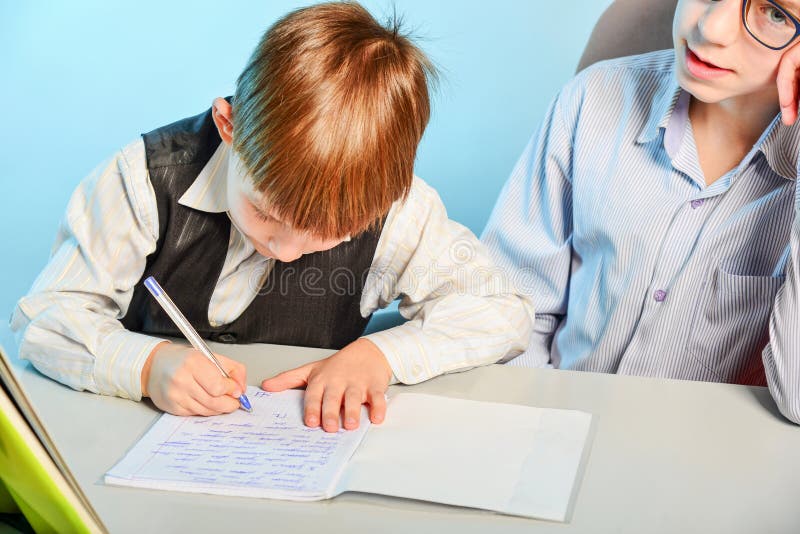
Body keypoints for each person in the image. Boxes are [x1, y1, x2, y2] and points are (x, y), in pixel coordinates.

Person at [11, 1, 532, 432]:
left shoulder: (399, 209)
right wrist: (144, 366)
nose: (284, 250)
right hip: (119, 434)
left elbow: (501, 312)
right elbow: (46, 317)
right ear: (228, 125)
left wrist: (381, 356)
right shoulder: (142, 179)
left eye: (330, 234)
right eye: (264, 212)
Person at [482, 0, 800, 423]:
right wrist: (539, 432)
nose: (711, 28)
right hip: (548, 434)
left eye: (775, 13)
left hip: (706, 472)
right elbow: (506, 309)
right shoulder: (591, 99)